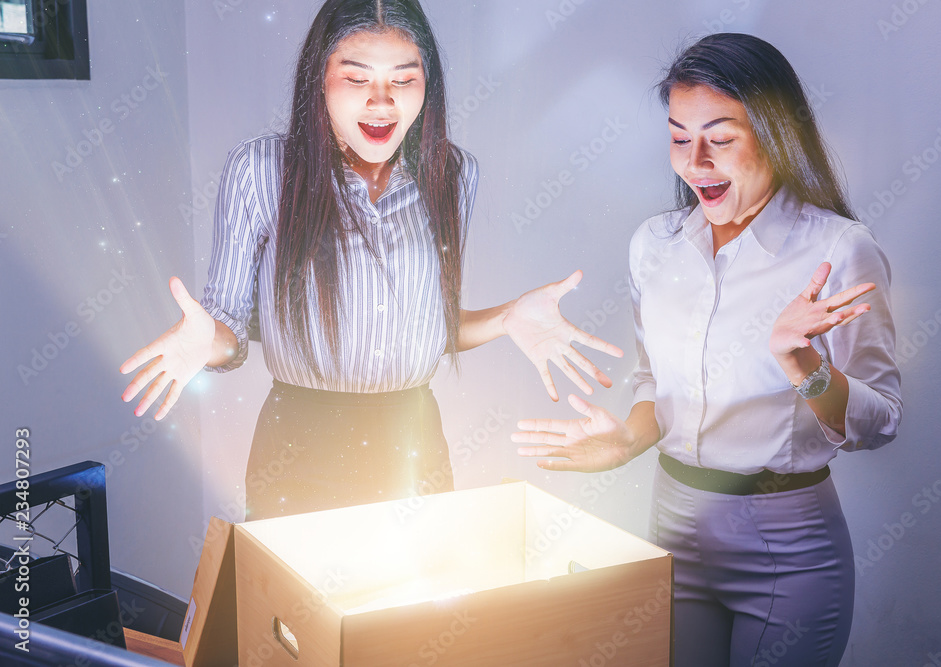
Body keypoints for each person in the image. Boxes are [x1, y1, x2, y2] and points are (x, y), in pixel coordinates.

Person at [119, 0, 621, 520]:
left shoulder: (452, 175)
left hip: (415, 441)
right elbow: (225, 326)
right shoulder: (261, 169)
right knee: (291, 599)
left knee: (418, 598)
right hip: (298, 445)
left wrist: (507, 316)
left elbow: (431, 327)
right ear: (320, 79)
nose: (382, 102)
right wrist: (209, 340)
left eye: (403, 81)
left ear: (428, 85)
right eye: (357, 79)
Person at [515, 33, 901, 666]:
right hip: (673, 526)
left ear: (777, 134)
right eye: (677, 136)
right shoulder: (654, 246)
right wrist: (625, 443)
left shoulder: (838, 249)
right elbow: (653, 384)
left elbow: (882, 420)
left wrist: (802, 364)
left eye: (720, 138)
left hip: (788, 544)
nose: (695, 161)